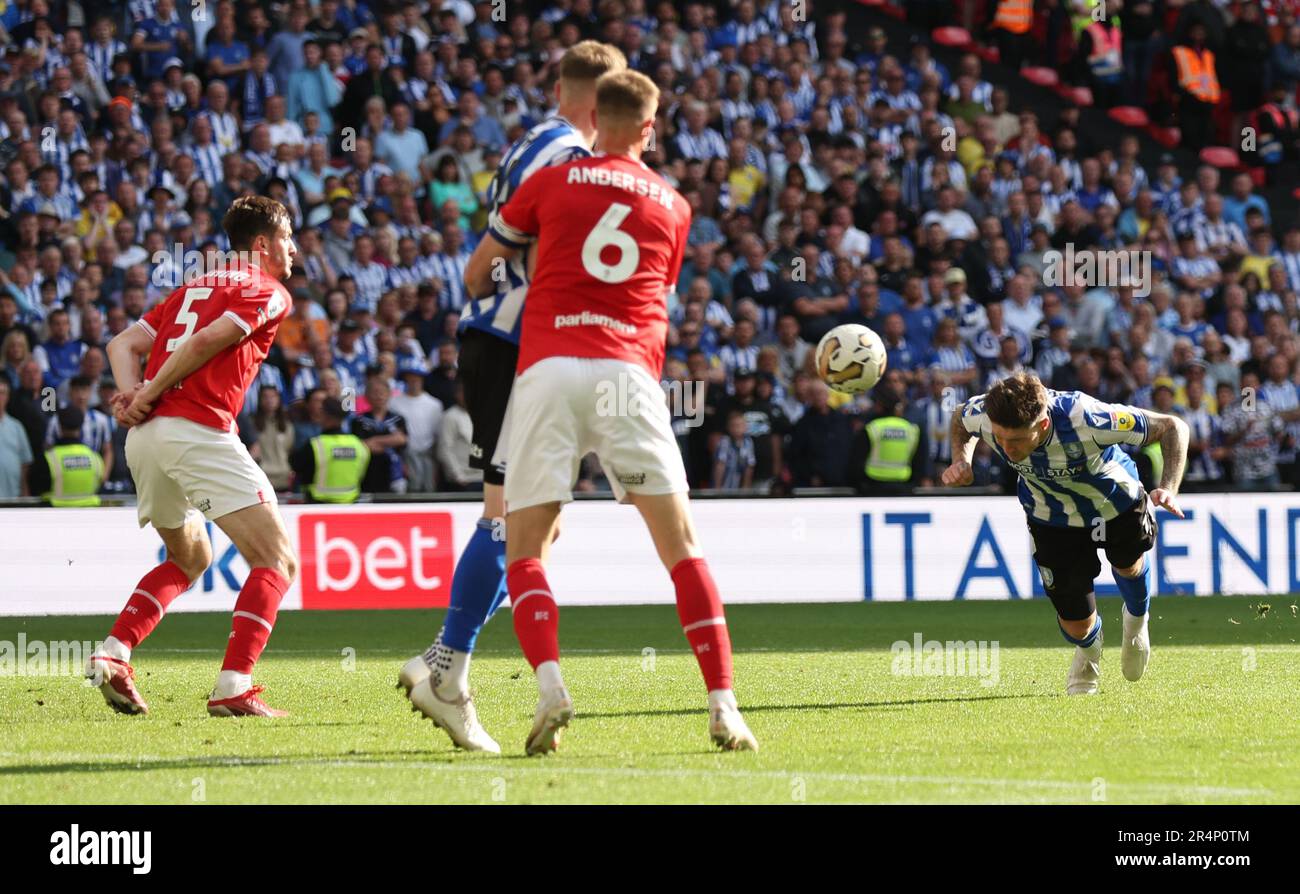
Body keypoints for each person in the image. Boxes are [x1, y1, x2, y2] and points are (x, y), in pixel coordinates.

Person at [463, 69, 758, 754]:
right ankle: (724, 706)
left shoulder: (552, 182)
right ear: (650, 129)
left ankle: (550, 688)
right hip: (629, 374)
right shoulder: (674, 205)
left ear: (592, 118)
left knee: (527, 546)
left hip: (550, 370)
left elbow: (478, 274)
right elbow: (656, 284)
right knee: (682, 546)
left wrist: (529, 271)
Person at [399, 41, 628, 754]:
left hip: (516, 343)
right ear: (603, 105)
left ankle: (442, 662)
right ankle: (448, 671)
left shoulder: (536, 139)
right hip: (516, 345)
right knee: (509, 521)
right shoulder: (567, 158)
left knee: (542, 526)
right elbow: (515, 254)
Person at [93, 196, 299, 718]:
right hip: (197, 429)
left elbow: (121, 344)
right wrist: (148, 392)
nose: (294, 249)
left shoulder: (191, 287)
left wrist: (132, 396)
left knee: (191, 558)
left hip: (146, 440)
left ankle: (114, 653)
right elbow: (207, 341)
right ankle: (234, 685)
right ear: (263, 245)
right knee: (276, 560)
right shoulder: (268, 290)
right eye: (288, 237)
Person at [942, 372, 1190, 695]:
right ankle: (1089, 651)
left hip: (1115, 502)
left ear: (1043, 425)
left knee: (1128, 564)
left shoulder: (1086, 417)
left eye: (1015, 440)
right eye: (1000, 438)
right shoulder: (986, 415)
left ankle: (1136, 622)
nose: (1006, 447)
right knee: (1076, 622)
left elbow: (1173, 426)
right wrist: (961, 459)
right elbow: (960, 418)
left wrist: (1169, 487)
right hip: (1051, 517)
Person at [291, 397, 371, 502]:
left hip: (318, 505)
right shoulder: (359, 445)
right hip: (350, 505)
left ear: (326, 415)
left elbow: (296, 466)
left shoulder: (316, 444)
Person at [30, 407, 103, 506]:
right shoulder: (95, 458)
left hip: (55, 516)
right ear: (81, 426)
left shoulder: (48, 459)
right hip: (88, 516)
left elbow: (35, 488)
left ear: (59, 426)